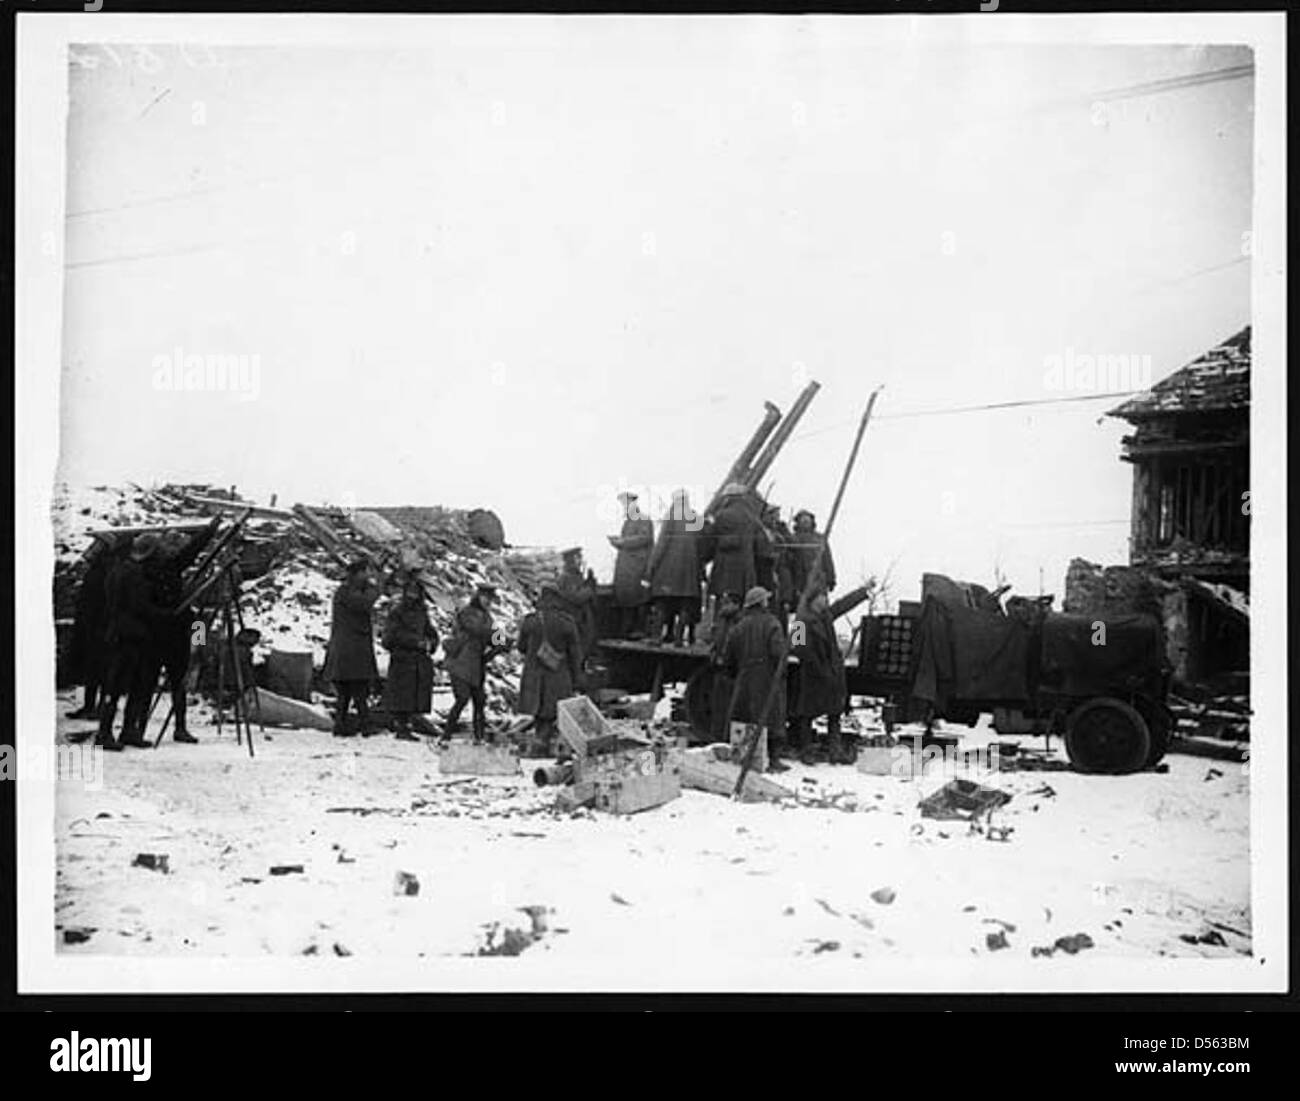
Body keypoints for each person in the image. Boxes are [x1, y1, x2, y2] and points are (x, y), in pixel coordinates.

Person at [139, 517, 221, 744]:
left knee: (178, 682)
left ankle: (179, 727)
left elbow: (202, 611)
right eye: (167, 547)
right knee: (149, 682)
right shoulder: (146, 572)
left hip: (184, 629)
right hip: (159, 633)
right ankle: (138, 728)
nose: (170, 550)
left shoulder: (172, 567)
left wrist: (210, 531)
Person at [97, 533, 168, 750]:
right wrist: (167, 615)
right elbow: (139, 606)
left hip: (124, 633)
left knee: (131, 685)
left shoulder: (119, 568)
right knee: (121, 685)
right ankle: (108, 732)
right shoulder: (135, 574)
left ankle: (125, 731)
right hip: (131, 636)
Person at [720, 585, 789, 771]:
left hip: (745, 676)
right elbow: (777, 652)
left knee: (744, 716)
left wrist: (734, 674)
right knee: (771, 716)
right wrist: (783, 671)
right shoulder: (772, 623)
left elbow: (728, 657)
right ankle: (773, 759)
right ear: (762, 602)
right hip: (766, 677)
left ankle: (742, 756)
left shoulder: (738, 627)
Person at [516, 583, 582, 757]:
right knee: (554, 711)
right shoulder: (566, 622)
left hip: (534, 675)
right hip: (558, 675)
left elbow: (521, 647)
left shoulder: (530, 621)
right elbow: (575, 655)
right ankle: (547, 744)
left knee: (540, 710)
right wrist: (577, 679)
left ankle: (541, 743)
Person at [66, 533, 125, 720]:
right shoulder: (96, 569)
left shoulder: (109, 568)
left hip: (103, 625)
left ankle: (100, 707)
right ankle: (89, 705)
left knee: (103, 669)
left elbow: (109, 599)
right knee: (92, 668)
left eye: (97, 545)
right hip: (90, 625)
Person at [789, 588, 852, 765]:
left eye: (825, 596)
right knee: (807, 714)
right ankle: (806, 750)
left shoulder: (826, 617)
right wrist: (816, 665)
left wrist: (863, 592)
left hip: (830, 673)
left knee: (835, 713)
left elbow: (843, 605)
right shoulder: (800, 621)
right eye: (822, 597)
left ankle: (835, 750)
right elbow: (797, 647)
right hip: (812, 674)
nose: (825, 600)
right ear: (813, 600)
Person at [324, 558, 381, 737]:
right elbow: (364, 603)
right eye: (365, 572)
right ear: (357, 574)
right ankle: (363, 725)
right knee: (356, 689)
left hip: (349, 648)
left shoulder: (346, 590)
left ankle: (343, 725)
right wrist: (377, 586)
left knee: (349, 691)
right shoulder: (347, 592)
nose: (368, 576)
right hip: (351, 649)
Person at [381, 572, 440, 741]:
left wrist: (432, 642)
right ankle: (402, 726)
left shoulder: (422, 611)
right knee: (403, 695)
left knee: (414, 694)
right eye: (411, 591)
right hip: (403, 658)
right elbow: (391, 636)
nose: (413, 595)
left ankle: (409, 723)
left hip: (418, 659)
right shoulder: (397, 611)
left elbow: (430, 631)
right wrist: (416, 642)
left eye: (416, 591)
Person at [646, 488, 704, 646]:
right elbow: (701, 544)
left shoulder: (671, 517)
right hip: (689, 571)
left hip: (669, 570)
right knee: (685, 604)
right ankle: (679, 638)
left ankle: (656, 637)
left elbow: (662, 544)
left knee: (662, 603)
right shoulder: (695, 519)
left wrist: (651, 567)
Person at [442, 583, 499, 744]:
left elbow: (496, 638)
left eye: (490, 599)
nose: (488, 602)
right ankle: (446, 736)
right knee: (462, 699)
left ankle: (479, 737)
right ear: (478, 596)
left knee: (479, 701)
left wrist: (502, 642)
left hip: (476, 664)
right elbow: (477, 630)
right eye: (486, 598)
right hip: (460, 662)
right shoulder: (467, 613)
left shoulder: (487, 617)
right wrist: (496, 636)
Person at [607, 491, 654, 638]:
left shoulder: (643, 520)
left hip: (637, 566)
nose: (625, 507)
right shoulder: (629, 521)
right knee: (626, 599)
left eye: (626, 504)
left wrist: (622, 542)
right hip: (627, 567)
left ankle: (638, 630)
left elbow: (645, 538)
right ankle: (626, 630)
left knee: (637, 599)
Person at [707, 484, 760, 603]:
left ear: (728, 498)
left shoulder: (723, 515)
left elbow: (711, 540)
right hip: (747, 570)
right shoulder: (752, 516)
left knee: (725, 607)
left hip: (726, 569)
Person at [555, 547, 597, 663]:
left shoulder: (576, 576)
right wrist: (589, 588)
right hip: (574, 618)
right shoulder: (566, 577)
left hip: (581, 618)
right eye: (578, 558)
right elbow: (575, 597)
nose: (581, 561)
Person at [789, 509, 837, 596]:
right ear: (798, 522)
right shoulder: (793, 538)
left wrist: (831, 578)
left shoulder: (820, 538)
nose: (805, 522)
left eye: (807, 519)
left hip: (819, 579)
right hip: (801, 580)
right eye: (802, 520)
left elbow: (827, 559)